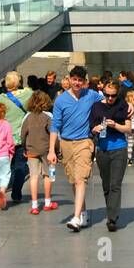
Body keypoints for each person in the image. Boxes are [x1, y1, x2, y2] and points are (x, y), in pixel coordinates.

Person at [48, 65, 102, 232]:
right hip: (66, 143)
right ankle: (83, 211)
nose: (77, 83)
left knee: (80, 179)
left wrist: (126, 107)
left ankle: (76, 217)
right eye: (74, 79)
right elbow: (55, 125)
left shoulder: (91, 95)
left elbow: (107, 100)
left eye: (80, 80)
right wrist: (51, 150)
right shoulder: (61, 100)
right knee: (73, 180)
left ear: (85, 82)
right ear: (70, 79)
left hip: (84, 142)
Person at [90, 80, 130, 231]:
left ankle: (112, 218)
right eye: (107, 95)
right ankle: (111, 211)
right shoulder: (97, 106)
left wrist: (116, 126)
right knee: (106, 185)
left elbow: (128, 128)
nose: (110, 98)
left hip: (119, 149)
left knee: (115, 185)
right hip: (102, 149)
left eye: (113, 95)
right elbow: (91, 127)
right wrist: (95, 129)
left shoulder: (123, 105)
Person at [0, 71, 33, 204]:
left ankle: (2, 188)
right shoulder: (28, 94)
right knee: (20, 165)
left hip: (4, 138)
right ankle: (16, 193)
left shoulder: (1, 98)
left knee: (5, 166)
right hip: (21, 137)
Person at [21, 91, 58, 215]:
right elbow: (53, 133)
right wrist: (56, 150)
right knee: (48, 175)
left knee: (33, 176)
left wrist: (24, 147)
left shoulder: (27, 117)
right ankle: (47, 203)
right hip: (46, 149)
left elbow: (23, 134)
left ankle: (35, 205)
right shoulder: (48, 117)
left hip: (31, 149)